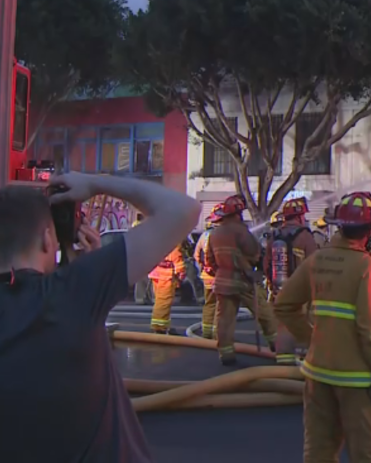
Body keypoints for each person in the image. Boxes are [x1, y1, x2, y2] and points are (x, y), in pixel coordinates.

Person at [0, 172, 200, 462]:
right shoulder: (74, 291)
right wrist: (95, 183)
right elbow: (184, 209)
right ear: (46, 239)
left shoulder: (71, 291)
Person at [274, 191, 371, 463]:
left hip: (317, 374)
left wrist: (313, 339)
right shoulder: (367, 267)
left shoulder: (317, 259)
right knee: (369, 454)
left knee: (319, 452)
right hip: (357, 381)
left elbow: (283, 305)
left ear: (339, 226)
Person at [206, 195, 278, 365]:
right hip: (243, 281)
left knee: (225, 320)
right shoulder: (241, 231)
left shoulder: (214, 234)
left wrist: (221, 271)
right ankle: (277, 346)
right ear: (238, 213)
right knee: (265, 313)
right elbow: (254, 253)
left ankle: (226, 354)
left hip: (222, 281)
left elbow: (209, 260)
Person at [265, 197, 319, 365]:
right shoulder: (305, 236)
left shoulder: (274, 236)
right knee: (303, 321)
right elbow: (314, 263)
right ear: (300, 216)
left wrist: (271, 283)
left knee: (283, 323)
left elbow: (266, 264)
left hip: (278, 287)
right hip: (300, 289)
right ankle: (306, 356)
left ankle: (283, 359)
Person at [148, 240, 188, 334]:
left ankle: (161, 325)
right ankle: (160, 327)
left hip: (156, 272)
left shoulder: (157, 239)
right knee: (163, 302)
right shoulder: (173, 241)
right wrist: (181, 273)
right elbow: (177, 258)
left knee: (159, 301)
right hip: (166, 275)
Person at [194, 214, 217, 338]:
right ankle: (217, 333)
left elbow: (196, 255)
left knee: (209, 303)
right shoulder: (221, 236)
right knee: (221, 306)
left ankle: (207, 331)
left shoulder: (203, 236)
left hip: (207, 276)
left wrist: (203, 267)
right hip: (220, 277)